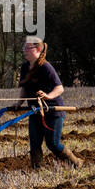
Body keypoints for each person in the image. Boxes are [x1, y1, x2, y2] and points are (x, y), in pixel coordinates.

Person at [19, 35, 82, 169]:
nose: (24, 50)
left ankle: (76, 163)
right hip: (35, 111)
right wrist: (17, 104)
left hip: (53, 111)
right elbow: (25, 88)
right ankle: (37, 170)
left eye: (27, 48)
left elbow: (59, 88)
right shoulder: (25, 67)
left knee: (52, 143)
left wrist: (48, 96)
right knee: (34, 144)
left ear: (37, 49)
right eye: (24, 47)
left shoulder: (46, 67)